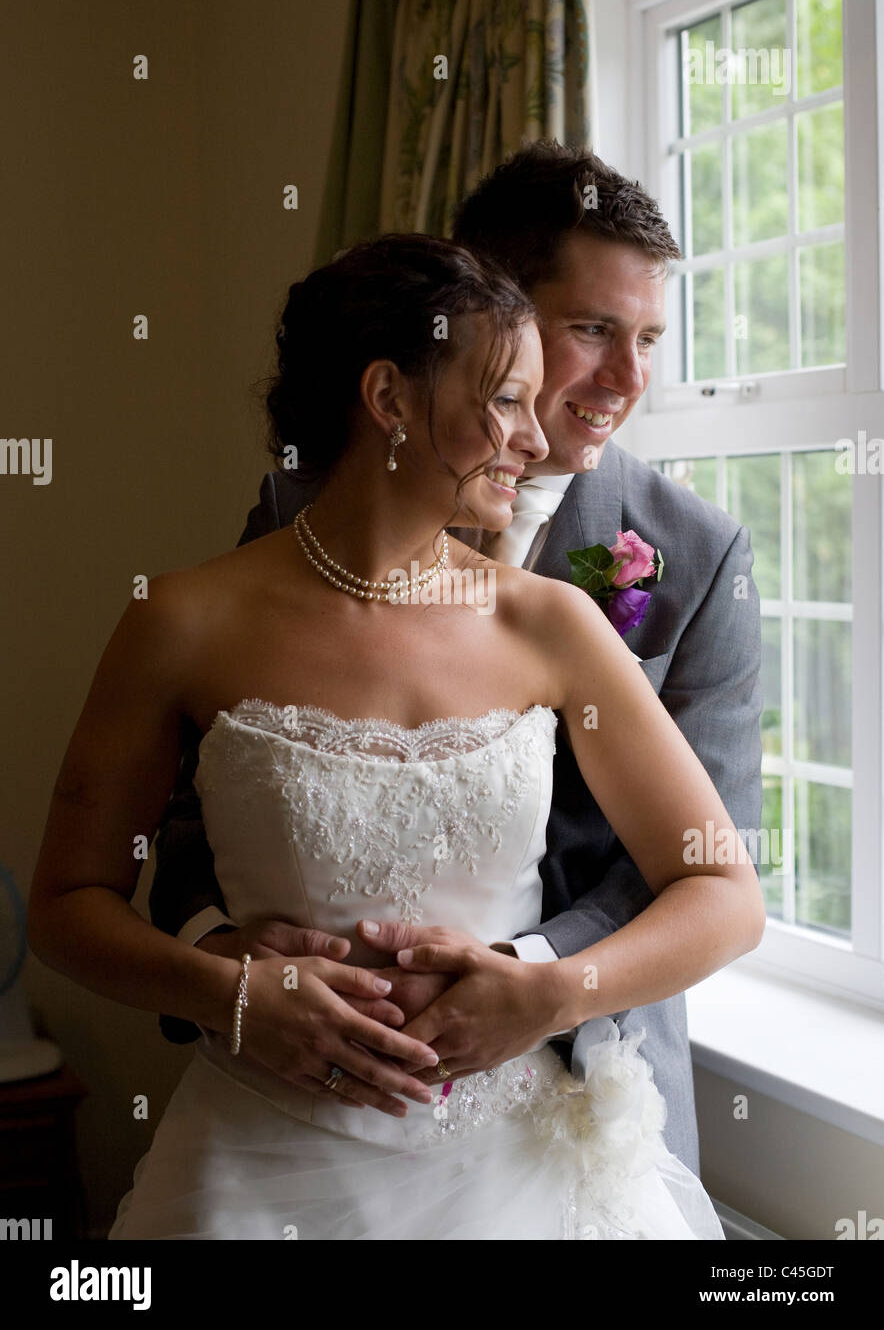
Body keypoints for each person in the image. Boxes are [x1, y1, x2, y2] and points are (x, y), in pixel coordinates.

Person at [28, 232, 763, 1240]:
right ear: (390, 400)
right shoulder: (179, 622)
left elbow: (722, 890)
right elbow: (69, 903)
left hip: (519, 1173)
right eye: (503, 399)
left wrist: (545, 995)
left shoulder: (550, 623)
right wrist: (231, 990)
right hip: (260, 1161)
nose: (532, 441)